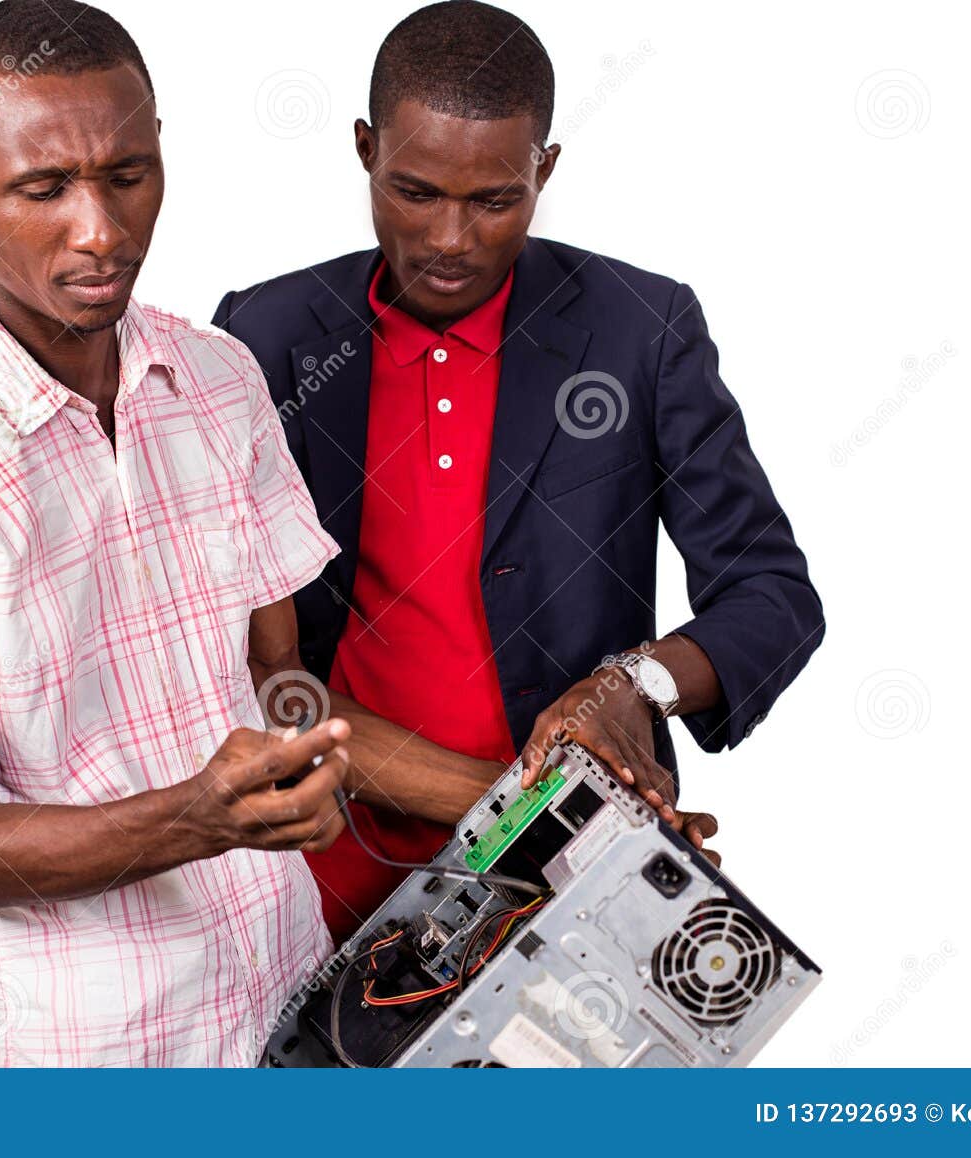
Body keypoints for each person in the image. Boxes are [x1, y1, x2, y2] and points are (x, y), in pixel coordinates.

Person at [0, 0, 349, 1066]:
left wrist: (301, 759)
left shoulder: (220, 380)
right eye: (42, 188)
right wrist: (202, 816)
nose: (100, 228)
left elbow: (277, 666)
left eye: (128, 174)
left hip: (290, 1008)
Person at [214, 0, 824, 942]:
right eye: (416, 191)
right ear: (366, 148)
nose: (451, 238)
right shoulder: (265, 336)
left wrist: (637, 686)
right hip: (318, 871)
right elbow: (235, 659)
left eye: (495, 200)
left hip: (568, 879)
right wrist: (523, 802)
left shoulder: (639, 330)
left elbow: (774, 596)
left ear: (545, 168)